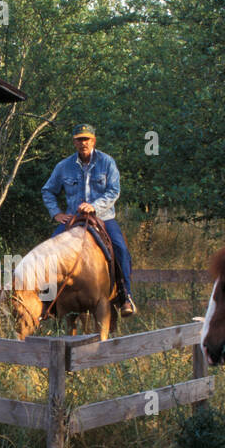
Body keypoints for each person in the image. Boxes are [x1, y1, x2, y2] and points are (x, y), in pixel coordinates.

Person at [41, 124, 136, 314]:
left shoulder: (107, 162)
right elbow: (48, 190)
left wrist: (95, 205)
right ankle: (47, 301)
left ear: (93, 140)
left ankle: (125, 295)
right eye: (79, 139)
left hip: (103, 217)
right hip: (73, 219)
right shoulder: (63, 166)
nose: (83, 142)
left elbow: (114, 190)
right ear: (74, 142)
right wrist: (56, 213)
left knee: (120, 248)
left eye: (86, 139)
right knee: (48, 251)